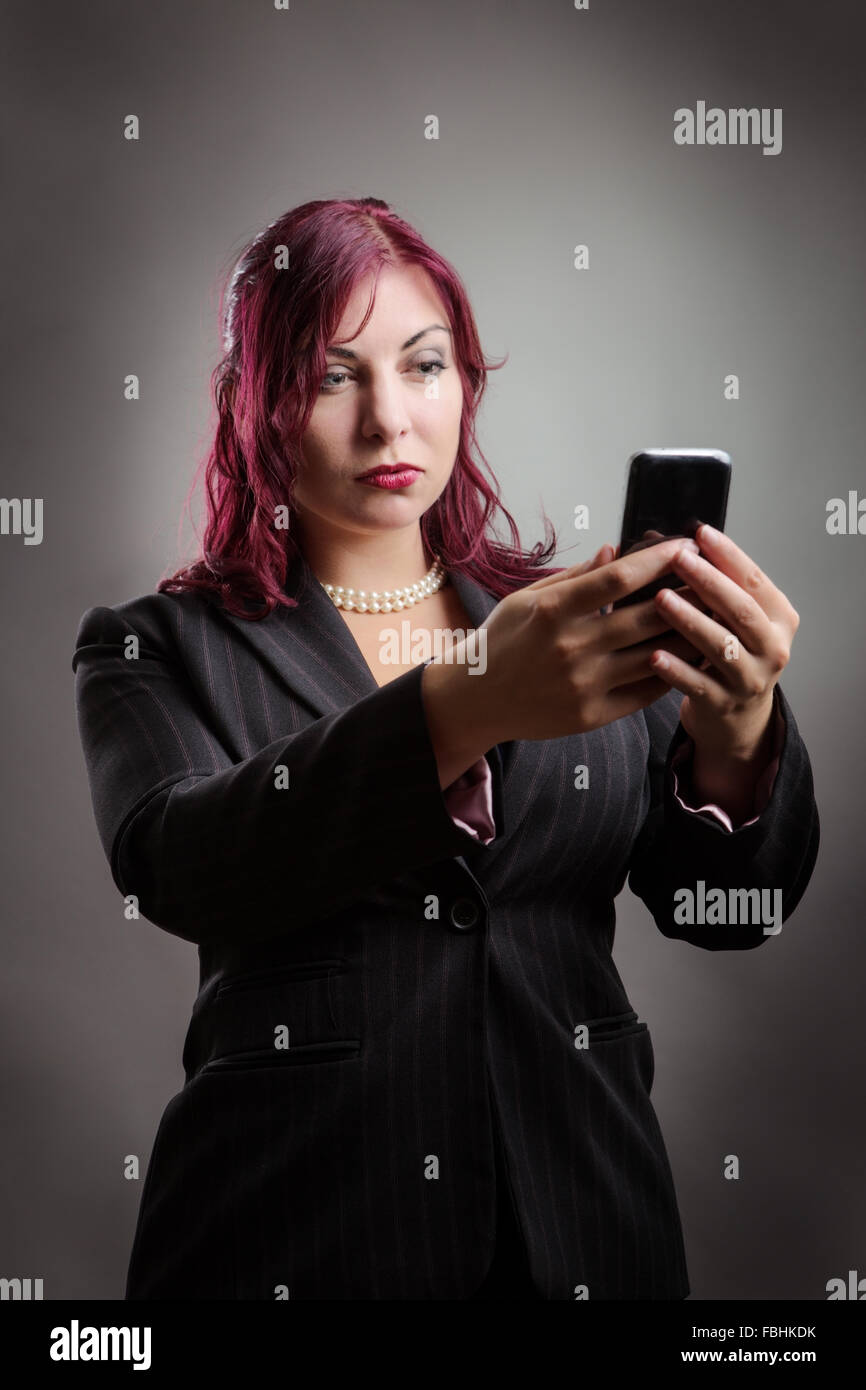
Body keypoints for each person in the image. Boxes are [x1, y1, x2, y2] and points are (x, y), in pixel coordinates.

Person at [72, 196, 819, 1301]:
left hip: (584, 1229)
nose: (388, 421)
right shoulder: (156, 642)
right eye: (332, 377)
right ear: (257, 405)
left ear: (465, 381)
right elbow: (182, 861)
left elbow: (729, 910)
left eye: (423, 366)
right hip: (290, 1240)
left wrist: (736, 720)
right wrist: (462, 703)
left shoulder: (569, 620)